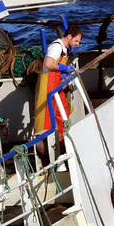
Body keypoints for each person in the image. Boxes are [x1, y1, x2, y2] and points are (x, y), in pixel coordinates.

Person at [33, 25, 83, 156]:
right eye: (76, 41)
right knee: (47, 118)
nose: (77, 44)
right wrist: (62, 68)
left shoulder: (64, 49)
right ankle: (51, 149)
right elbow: (49, 64)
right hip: (48, 85)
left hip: (56, 85)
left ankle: (63, 143)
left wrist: (63, 74)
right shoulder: (57, 47)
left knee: (62, 115)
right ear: (69, 36)